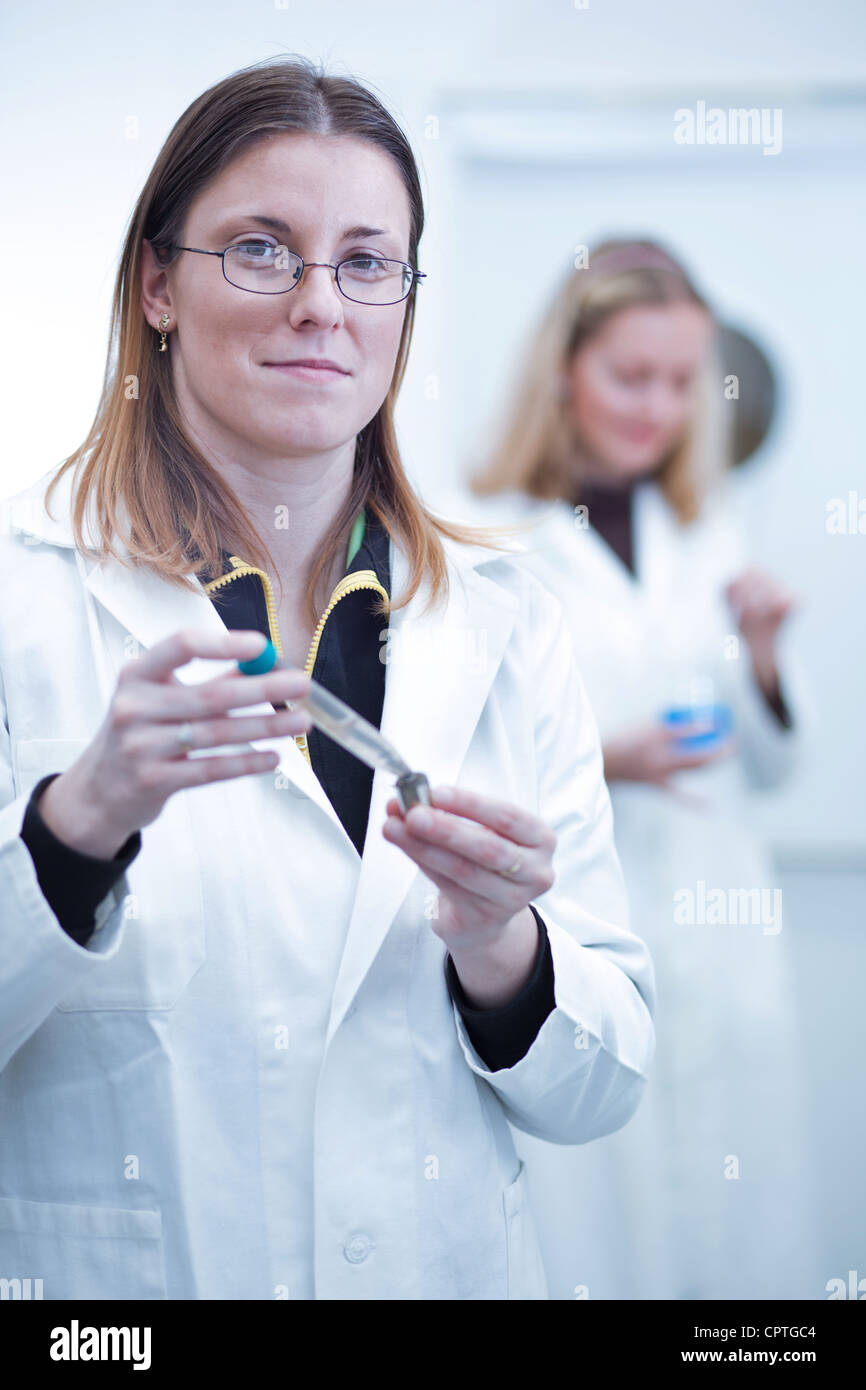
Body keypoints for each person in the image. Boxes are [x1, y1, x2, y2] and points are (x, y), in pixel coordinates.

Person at [0, 62, 655, 1301]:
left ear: (404, 299)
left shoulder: (505, 623)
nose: (320, 304)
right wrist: (73, 834)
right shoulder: (21, 600)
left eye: (366, 261)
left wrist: (500, 947)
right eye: (261, 248)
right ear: (155, 285)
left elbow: (603, 1081)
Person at [434, 239, 817, 1299]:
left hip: (718, 920)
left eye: (682, 382)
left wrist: (766, 659)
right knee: (601, 1224)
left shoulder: (706, 529)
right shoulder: (486, 531)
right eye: (630, 376)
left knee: (736, 1232)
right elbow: (457, 755)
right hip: (584, 923)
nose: (658, 406)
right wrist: (606, 761)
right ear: (564, 368)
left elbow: (774, 768)